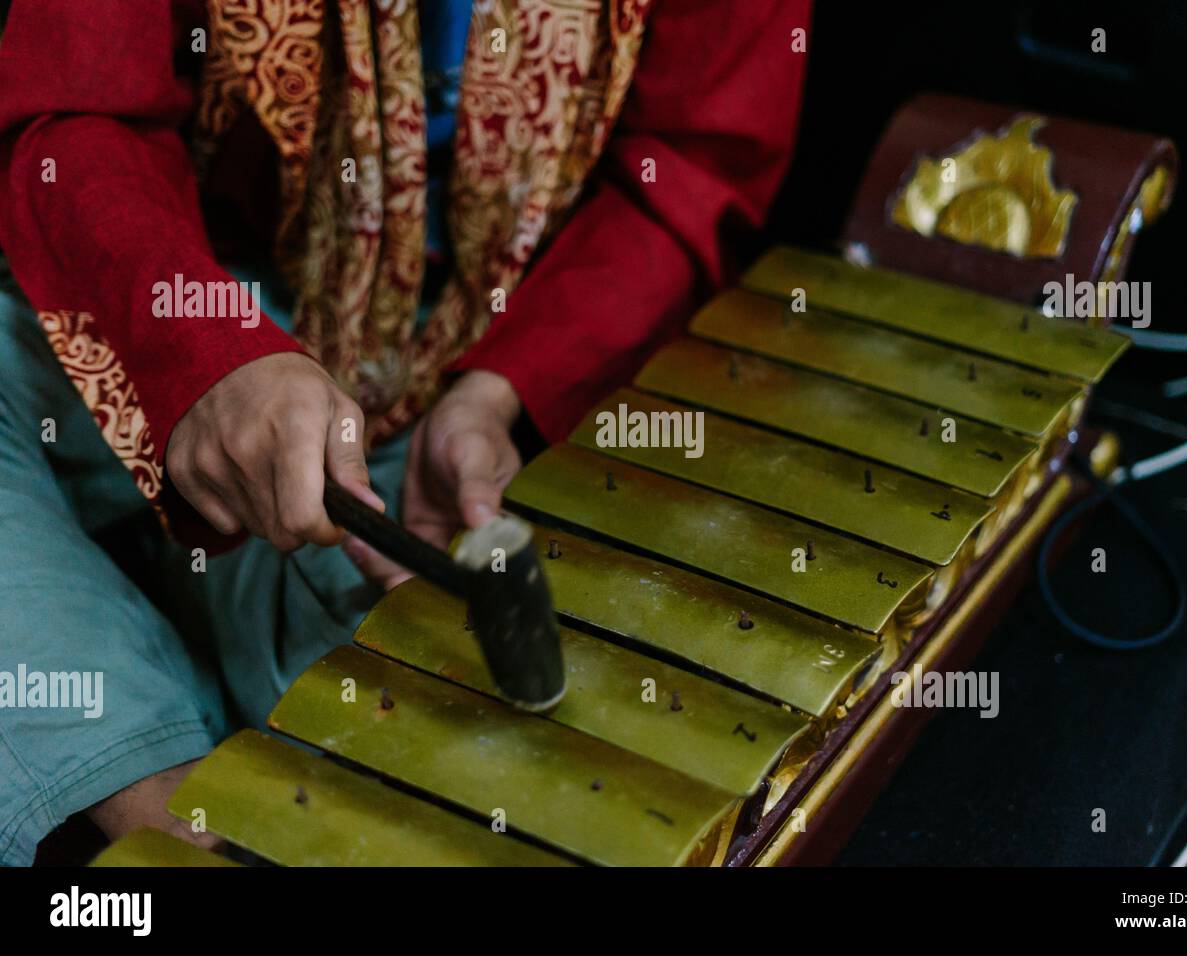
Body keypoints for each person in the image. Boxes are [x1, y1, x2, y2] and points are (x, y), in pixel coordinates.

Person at [0, 0, 807, 864]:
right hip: (182, 258)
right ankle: (166, 818)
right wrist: (205, 349)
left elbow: (688, 163)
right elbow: (79, 107)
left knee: (384, 681)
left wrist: (495, 394)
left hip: (467, 321)